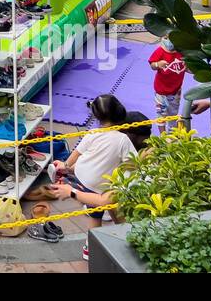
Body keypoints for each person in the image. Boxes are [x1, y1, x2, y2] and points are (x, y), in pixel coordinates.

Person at [53, 94, 136, 258]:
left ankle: (123, 231)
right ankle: (90, 248)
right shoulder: (122, 140)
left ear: (96, 116)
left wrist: (65, 166)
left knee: (110, 207)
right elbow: (134, 162)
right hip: (98, 186)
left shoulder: (92, 133)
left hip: (82, 177)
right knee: (96, 215)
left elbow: (76, 153)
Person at [148, 37, 187, 131]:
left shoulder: (182, 51)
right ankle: (163, 135)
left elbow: (187, 67)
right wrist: (157, 64)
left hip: (176, 90)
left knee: (173, 113)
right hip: (161, 91)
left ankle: (172, 133)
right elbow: (152, 65)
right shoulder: (160, 51)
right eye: (167, 37)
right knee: (161, 114)